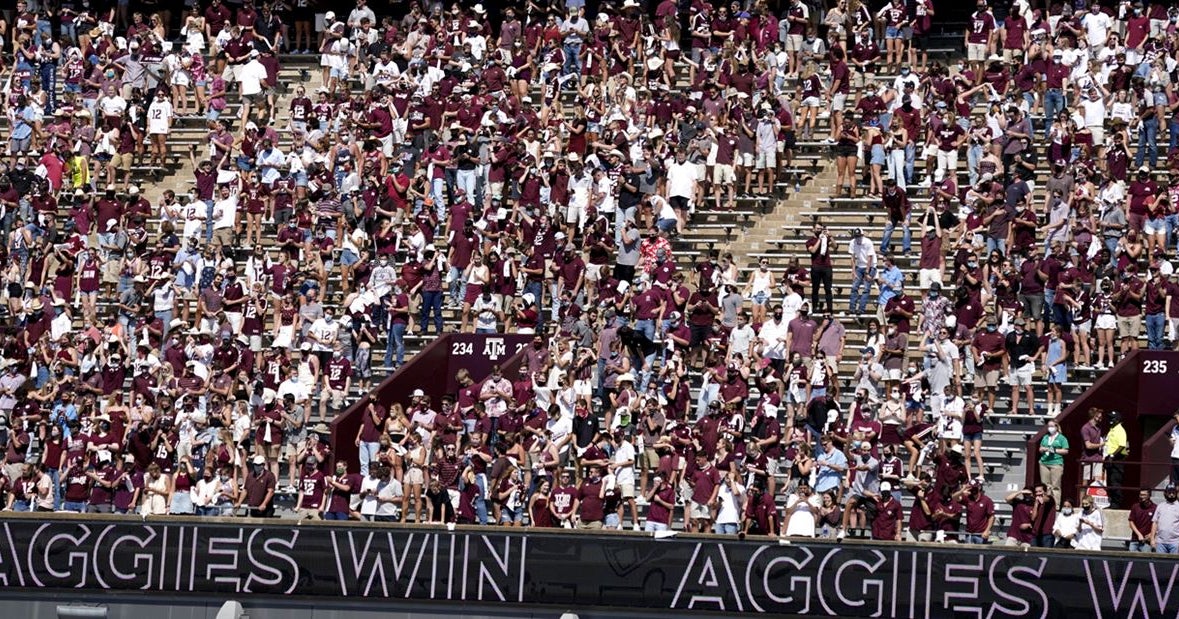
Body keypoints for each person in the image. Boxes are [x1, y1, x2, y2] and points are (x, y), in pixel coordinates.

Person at [1038, 420, 1068, 506]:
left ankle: (1056, 505)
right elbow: (1040, 448)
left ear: (1056, 427)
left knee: (1055, 485)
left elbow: (1065, 451)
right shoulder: (1045, 437)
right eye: (1048, 426)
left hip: (1056, 463)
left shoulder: (1062, 438)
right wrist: (1043, 449)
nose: (1050, 428)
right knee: (1045, 485)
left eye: (1052, 426)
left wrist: (1054, 450)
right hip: (1044, 462)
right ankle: (1046, 503)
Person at [1153, 485, 1179, 555]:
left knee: (1174, 564)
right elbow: (1155, 522)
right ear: (1165, 493)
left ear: (1176, 493)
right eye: (1169, 492)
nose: (1171, 494)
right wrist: (1152, 539)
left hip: (1175, 543)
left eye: (1173, 493)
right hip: (1160, 542)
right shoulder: (1160, 506)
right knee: (1160, 564)